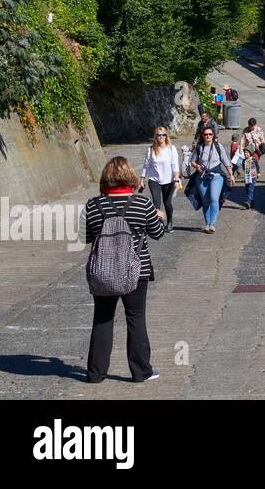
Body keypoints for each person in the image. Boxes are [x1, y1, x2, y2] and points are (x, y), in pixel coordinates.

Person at [84, 156, 167, 383]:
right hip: (136, 271)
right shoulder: (142, 204)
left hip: (103, 271)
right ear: (130, 176)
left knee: (102, 319)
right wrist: (160, 217)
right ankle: (141, 371)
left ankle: (95, 373)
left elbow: (89, 237)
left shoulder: (93, 205)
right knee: (136, 318)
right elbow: (158, 233)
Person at [190, 124, 232, 233]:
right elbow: (192, 161)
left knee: (214, 198)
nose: (208, 136)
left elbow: (226, 161)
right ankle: (207, 224)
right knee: (205, 200)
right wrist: (197, 166)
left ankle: (212, 224)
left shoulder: (218, 146)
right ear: (203, 136)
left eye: (210, 134)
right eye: (206, 134)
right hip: (202, 177)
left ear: (213, 135)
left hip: (216, 176)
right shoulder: (199, 147)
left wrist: (231, 174)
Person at [141, 127, 180, 233]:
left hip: (169, 180)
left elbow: (175, 165)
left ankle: (170, 221)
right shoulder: (151, 149)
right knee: (156, 202)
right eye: (159, 135)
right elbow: (146, 165)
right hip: (154, 180)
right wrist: (142, 178)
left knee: (167, 203)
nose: (161, 137)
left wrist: (176, 180)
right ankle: (159, 221)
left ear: (166, 136)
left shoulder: (171, 148)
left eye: (163, 135)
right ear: (155, 136)